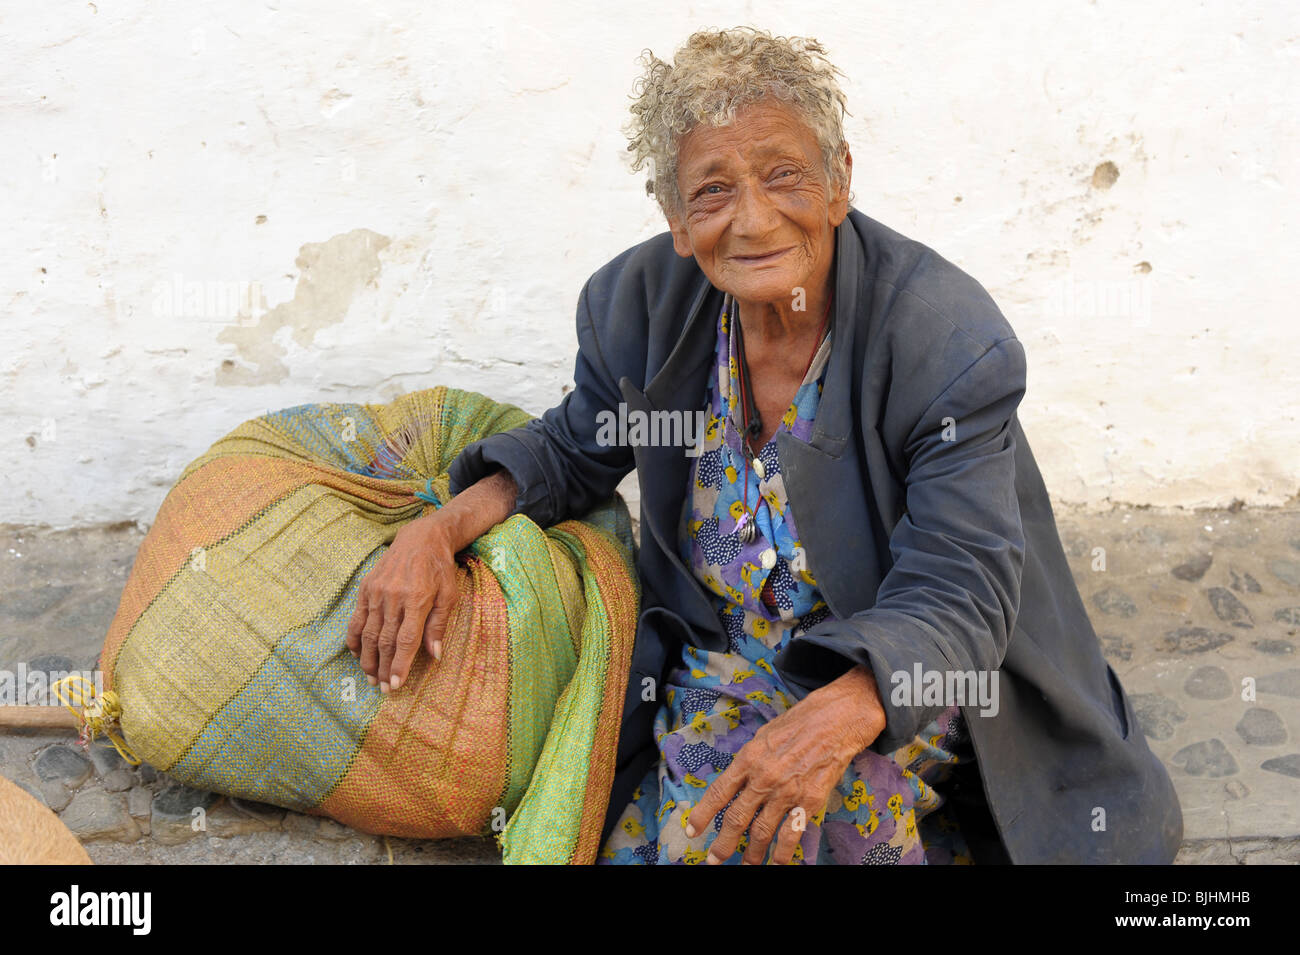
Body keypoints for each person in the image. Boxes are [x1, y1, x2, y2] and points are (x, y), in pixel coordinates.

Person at [346, 26, 1182, 864]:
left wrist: (840, 712)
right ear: (677, 220)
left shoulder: (944, 337)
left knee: (798, 824)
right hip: (725, 668)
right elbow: (577, 447)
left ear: (838, 181)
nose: (752, 219)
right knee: (715, 835)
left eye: (784, 174)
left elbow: (961, 590)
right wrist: (435, 532)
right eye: (712, 190)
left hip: (900, 673)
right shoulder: (639, 305)